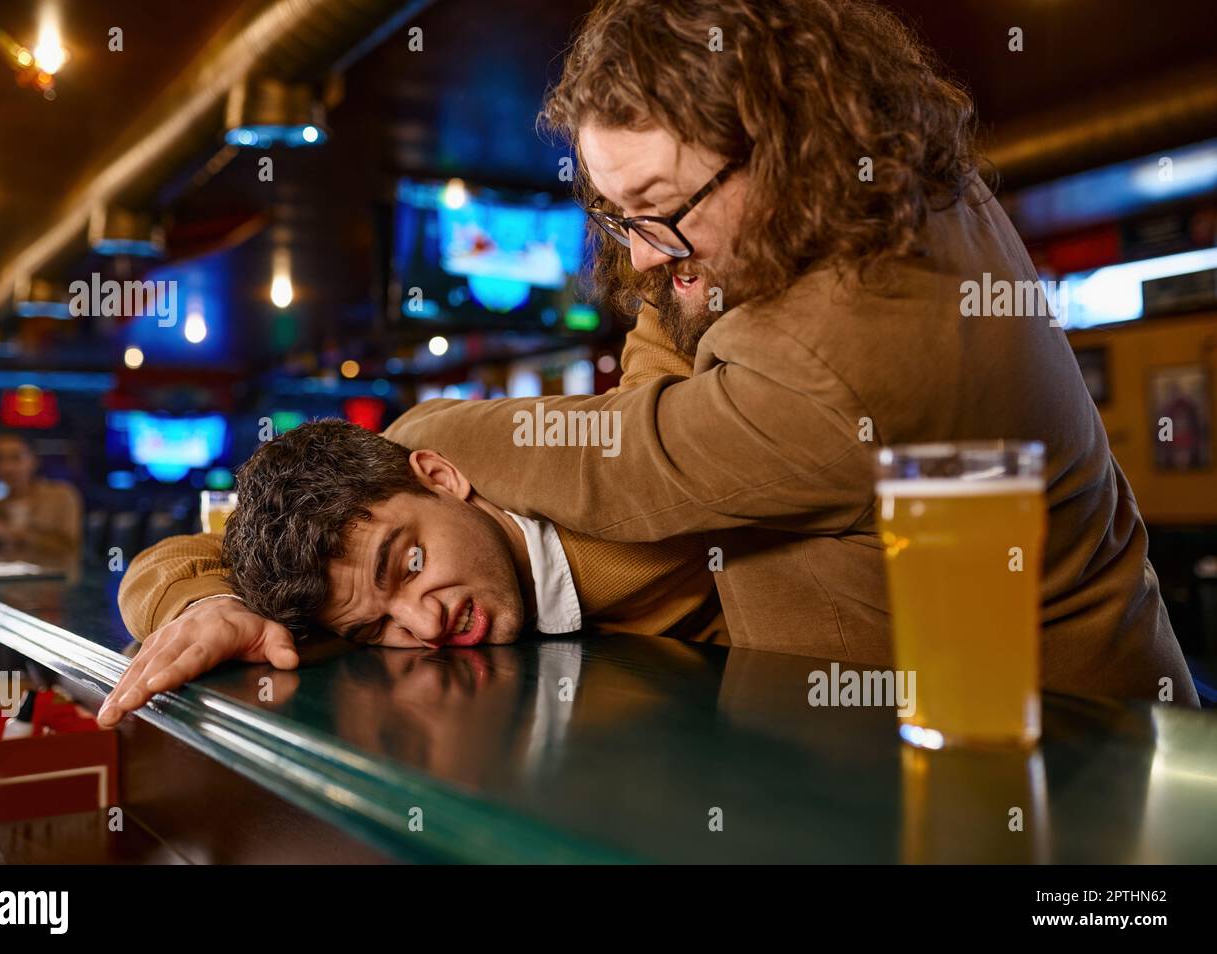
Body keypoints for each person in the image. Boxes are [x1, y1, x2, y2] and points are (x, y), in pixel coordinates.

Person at [383, 0, 1197, 705]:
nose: (637, 257)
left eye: (657, 207)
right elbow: (658, 360)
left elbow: (620, 455)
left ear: (780, 148)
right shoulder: (836, 197)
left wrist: (408, 443)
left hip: (1049, 769)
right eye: (616, 212)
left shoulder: (848, 352)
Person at [99, 419, 723, 726]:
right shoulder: (340, 552)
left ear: (441, 478)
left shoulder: (606, 475)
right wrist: (210, 605)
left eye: (407, 565)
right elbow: (169, 561)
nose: (426, 623)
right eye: (376, 629)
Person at [0, 432, 83, 564]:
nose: (7, 467)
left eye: (16, 458)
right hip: (6, 579)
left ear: (34, 460)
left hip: (53, 579)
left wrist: (12, 534)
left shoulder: (62, 495)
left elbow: (70, 547)